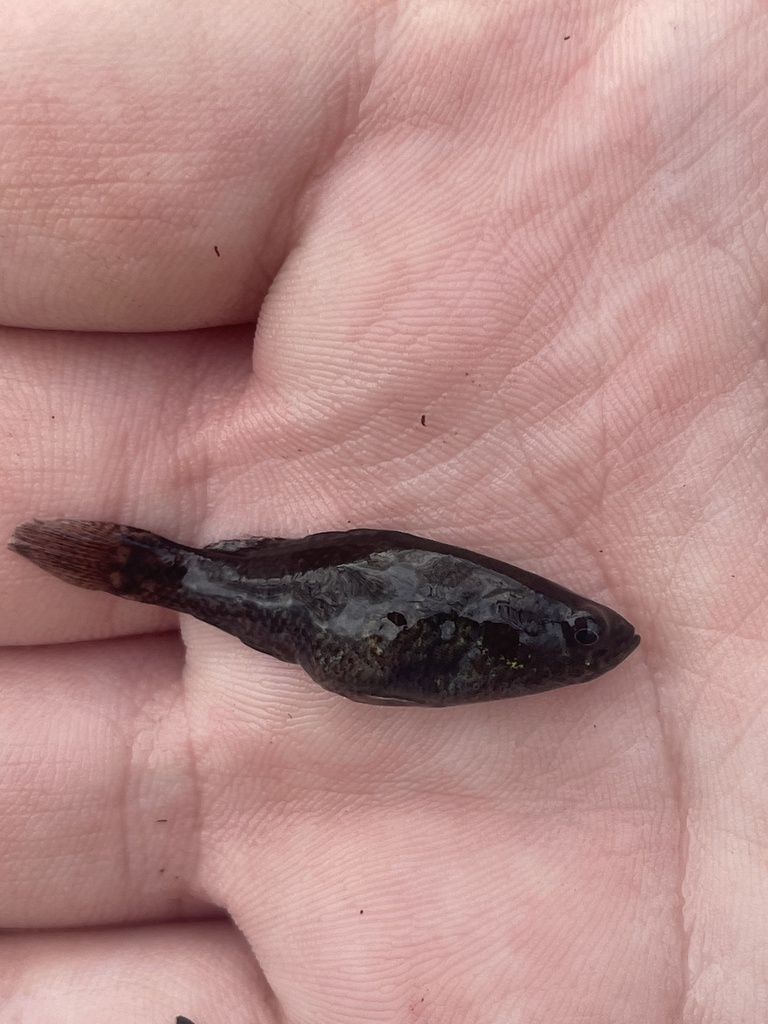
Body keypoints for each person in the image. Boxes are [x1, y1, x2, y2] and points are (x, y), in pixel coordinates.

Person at [1, 2, 765, 1020]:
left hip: (317, 608)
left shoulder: (533, 640)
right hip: (319, 604)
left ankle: (169, 570)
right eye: (582, 629)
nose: (602, 637)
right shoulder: (535, 634)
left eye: (588, 629)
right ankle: (161, 568)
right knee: (203, 577)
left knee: (208, 580)